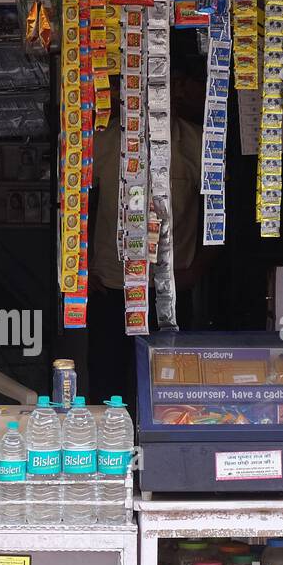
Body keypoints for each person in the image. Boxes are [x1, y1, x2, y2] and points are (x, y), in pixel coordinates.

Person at [85, 28, 221, 410]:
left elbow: (221, 220)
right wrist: (82, 267)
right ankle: (112, 459)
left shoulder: (198, 143)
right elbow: (80, 204)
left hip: (172, 288)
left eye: (165, 84)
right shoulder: (106, 141)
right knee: (110, 384)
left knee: (172, 388)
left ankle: (165, 461)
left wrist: (197, 270)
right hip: (111, 285)